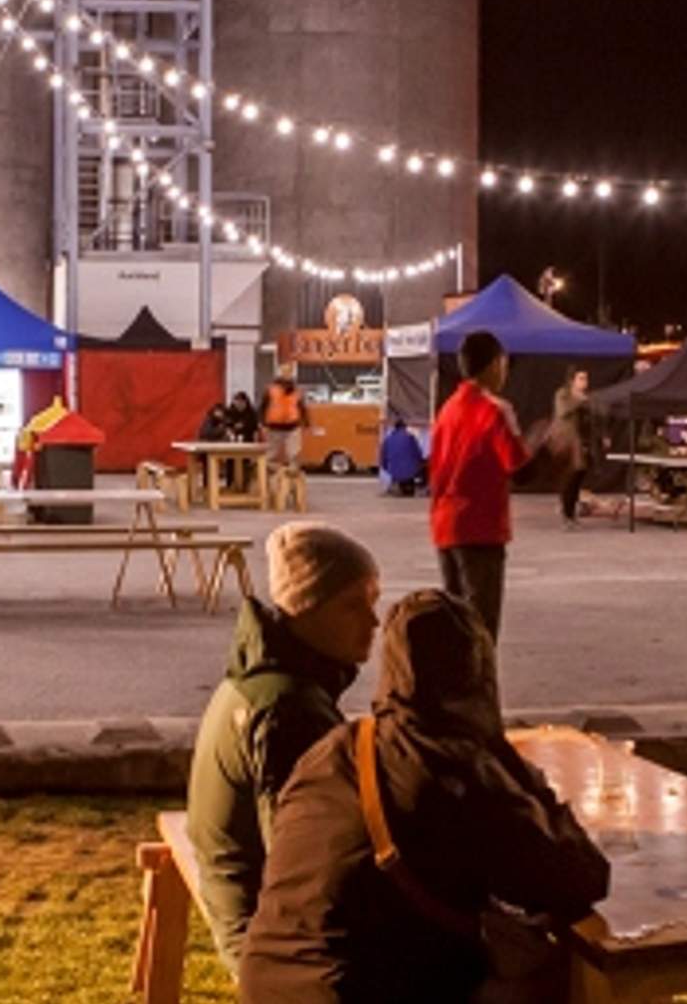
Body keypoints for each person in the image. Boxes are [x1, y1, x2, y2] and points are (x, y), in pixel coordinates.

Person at [239, 590, 611, 1002]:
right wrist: (516, 768)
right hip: (358, 992)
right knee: (564, 980)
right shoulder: (458, 775)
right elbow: (581, 877)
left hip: (270, 981)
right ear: (480, 674)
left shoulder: (339, 747)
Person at [187, 523, 382, 976]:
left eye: (373, 603)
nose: (373, 623)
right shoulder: (288, 709)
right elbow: (305, 866)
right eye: (353, 606)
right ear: (305, 608)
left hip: (242, 894)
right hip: (268, 936)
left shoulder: (269, 676)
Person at [428, 331, 534, 641]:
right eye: (503, 363)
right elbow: (521, 469)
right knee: (482, 629)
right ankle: (479, 688)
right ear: (493, 364)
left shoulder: (447, 410)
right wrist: (551, 449)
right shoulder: (495, 409)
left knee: (457, 626)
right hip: (481, 529)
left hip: (445, 527)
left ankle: (455, 687)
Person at [550, 368, 591, 527]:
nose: (585, 382)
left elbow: (590, 421)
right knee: (569, 478)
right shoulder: (563, 394)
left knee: (578, 476)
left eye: (586, 378)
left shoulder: (586, 398)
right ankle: (567, 515)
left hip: (580, 443)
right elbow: (562, 412)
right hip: (564, 441)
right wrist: (578, 401)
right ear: (572, 380)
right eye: (581, 378)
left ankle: (571, 512)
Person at [261, 375, 310, 469]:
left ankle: (292, 475)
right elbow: (263, 407)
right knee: (272, 455)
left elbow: (302, 408)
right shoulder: (270, 391)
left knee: (294, 454)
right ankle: (271, 475)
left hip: (292, 427)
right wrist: (262, 423)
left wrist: (306, 422)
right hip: (274, 427)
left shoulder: (297, 392)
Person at [380, 418, 427, 496]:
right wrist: (420, 463)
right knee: (424, 467)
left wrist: (388, 468)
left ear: (395, 428)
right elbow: (418, 454)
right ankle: (422, 488)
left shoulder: (388, 439)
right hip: (411, 471)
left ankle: (397, 484)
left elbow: (383, 458)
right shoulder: (411, 438)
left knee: (400, 469)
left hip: (394, 471)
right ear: (404, 427)